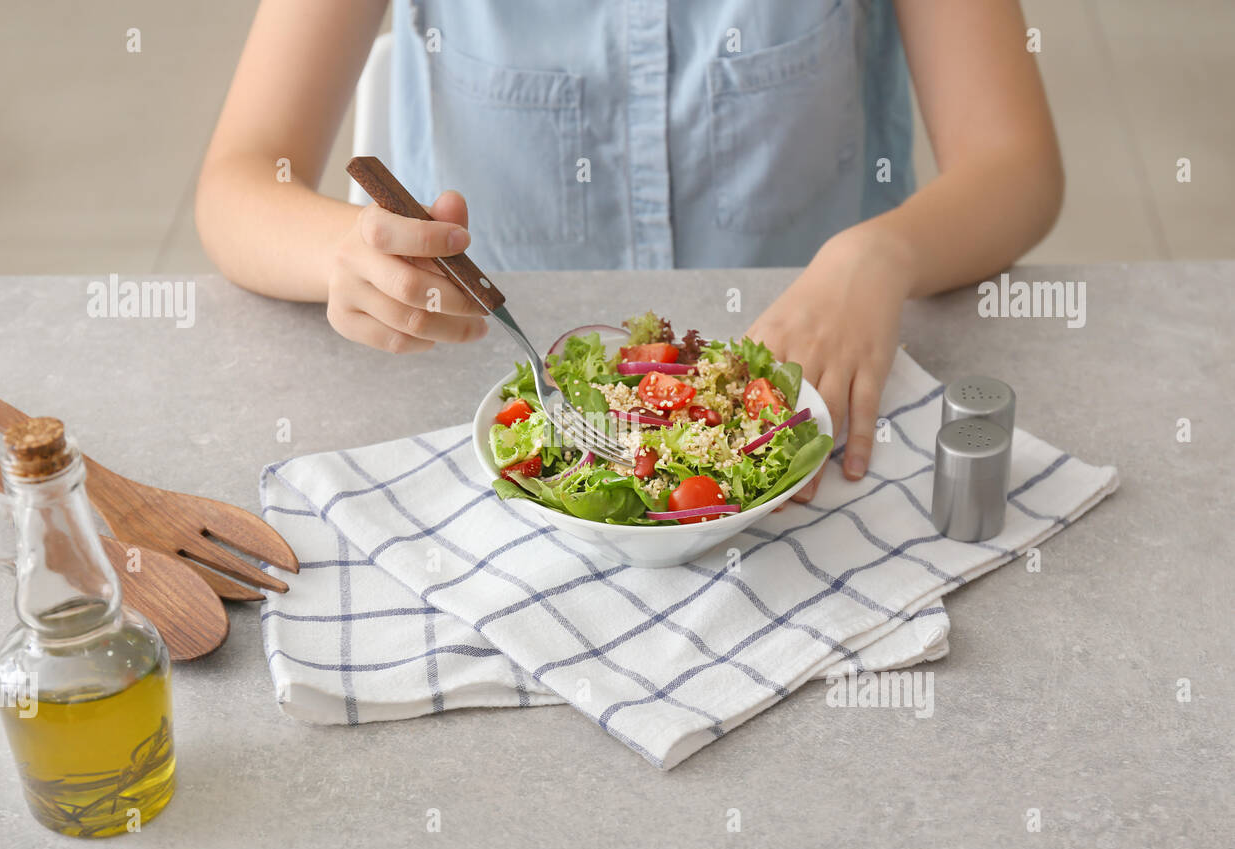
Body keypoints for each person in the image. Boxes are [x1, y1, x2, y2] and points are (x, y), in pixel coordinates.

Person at [196, 0, 1062, 501]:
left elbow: (1016, 166)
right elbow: (237, 185)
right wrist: (345, 250)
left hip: (816, 435)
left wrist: (883, 255)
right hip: (477, 444)